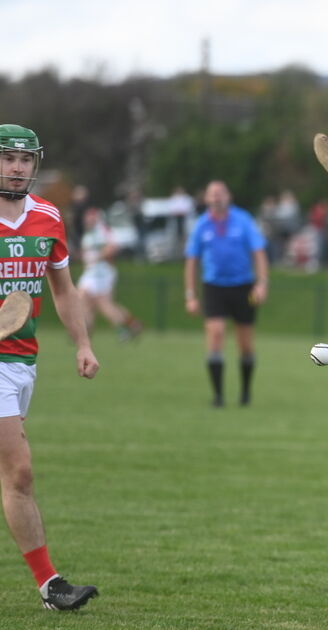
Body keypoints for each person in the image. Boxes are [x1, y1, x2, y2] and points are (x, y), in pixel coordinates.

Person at [0, 123, 101, 610]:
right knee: (19, 472)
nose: (16, 168)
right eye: (7, 158)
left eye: (24, 159)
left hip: (23, 362)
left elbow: (62, 289)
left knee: (10, 474)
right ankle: (50, 585)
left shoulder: (47, 217)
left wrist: (82, 344)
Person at [183, 180, 269, 407]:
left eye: (221, 193)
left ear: (228, 197)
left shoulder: (243, 220)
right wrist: (190, 295)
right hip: (214, 287)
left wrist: (261, 284)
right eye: (212, 194)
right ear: (206, 199)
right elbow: (192, 261)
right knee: (216, 333)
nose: (217, 197)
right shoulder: (201, 225)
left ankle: (245, 393)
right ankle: (218, 396)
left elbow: (259, 253)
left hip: (243, 287)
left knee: (246, 344)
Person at [77, 207, 142, 341]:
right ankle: (84, 334)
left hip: (102, 274)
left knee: (105, 305)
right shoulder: (88, 233)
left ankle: (124, 329)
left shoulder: (102, 231)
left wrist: (98, 257)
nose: (87, 221)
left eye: (90, 218)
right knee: (84, 303)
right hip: (90, 274)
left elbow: (113, 248)